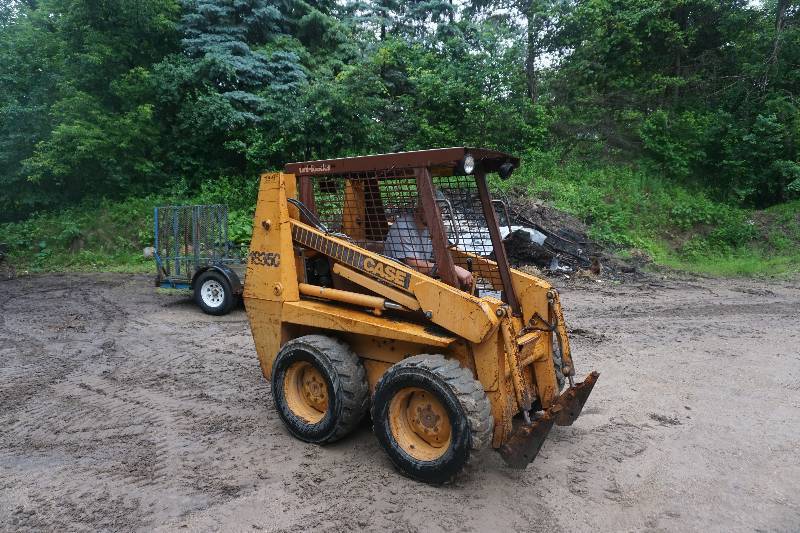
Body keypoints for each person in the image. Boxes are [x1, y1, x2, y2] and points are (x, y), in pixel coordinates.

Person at [383, 195, 474, 290]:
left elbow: (441, 254)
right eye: (432, 211)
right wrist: (452, 269)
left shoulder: (431, 228)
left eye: (439, 211)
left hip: (418, 281)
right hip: (395, 283)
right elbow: (412, 265)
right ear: (420, 208)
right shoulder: (402, 227)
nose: (436, 216)